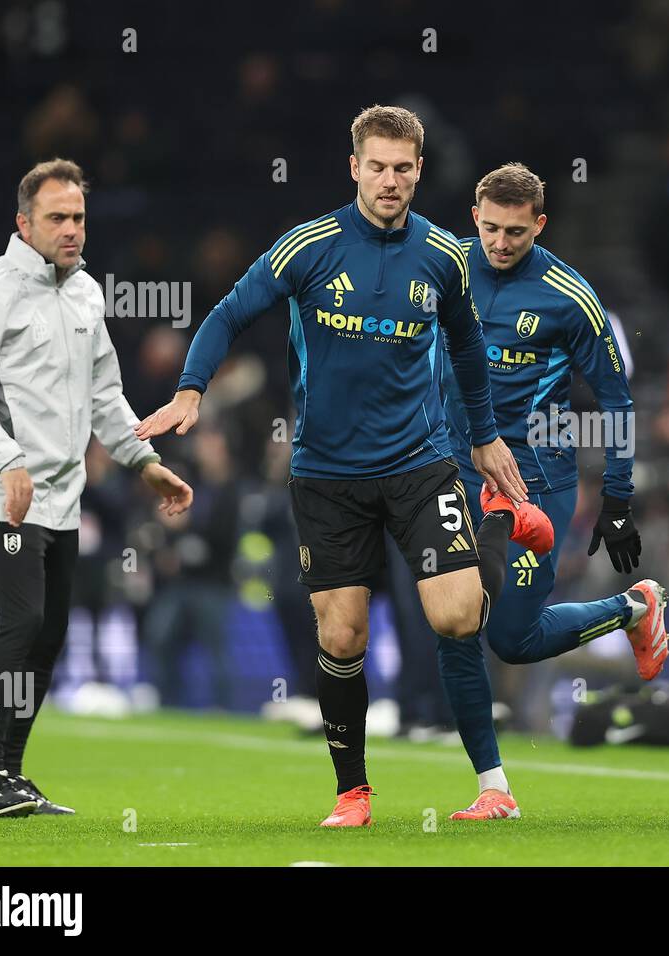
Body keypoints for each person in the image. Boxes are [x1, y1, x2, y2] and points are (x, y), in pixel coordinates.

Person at [134, 106, 546, 829]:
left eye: (404, 168)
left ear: (420, 170)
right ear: (354, 167)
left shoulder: (444, 257)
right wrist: (191, 389)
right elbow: (231, 312)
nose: (391, 181)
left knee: (456, 616)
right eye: (378, 166)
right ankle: (352, 792)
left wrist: (482, 437)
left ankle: (493, 777)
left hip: (420, 464)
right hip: (327, 475)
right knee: (342, 637)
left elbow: (468, 348)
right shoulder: (309, 247)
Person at [0, 159, 193, 818]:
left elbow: (104, 392)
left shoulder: (83, 294)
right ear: (24, 223)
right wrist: (6, 459)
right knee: (19, 621)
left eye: (78, 217)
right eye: (57, 218)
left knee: (48, 633)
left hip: (63, 495)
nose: (72, 229)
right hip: (3, 492)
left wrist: (142, 459)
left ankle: (10, 776)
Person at [436, 163, 669, 820]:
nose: (500, 244)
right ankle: (494, 787)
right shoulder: (445, 271)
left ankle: (633, 607)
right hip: (454, 475)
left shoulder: (570, 295)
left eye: (515, 231)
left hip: (538, 483)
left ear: (539, 224)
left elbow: (617, 399)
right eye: (489, 229)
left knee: (512, 638)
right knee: (453, 626)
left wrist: (618, 500)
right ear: (473, 217)